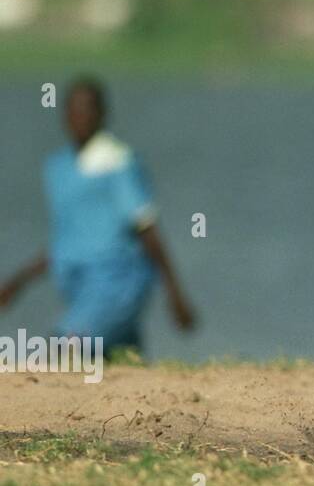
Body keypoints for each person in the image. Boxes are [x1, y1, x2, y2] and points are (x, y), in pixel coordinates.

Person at [0, 77, 196, 354]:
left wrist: (175, 294)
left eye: (88, 109)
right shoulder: (59, 167)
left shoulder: (117, 162)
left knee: (65, 346)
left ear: (103, 114)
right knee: (122, 365)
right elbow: (68, 241)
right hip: (78, 288)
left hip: (118, 284)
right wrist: (18, 281)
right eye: (74, 109)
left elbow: (147, 229)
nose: (80, 117)